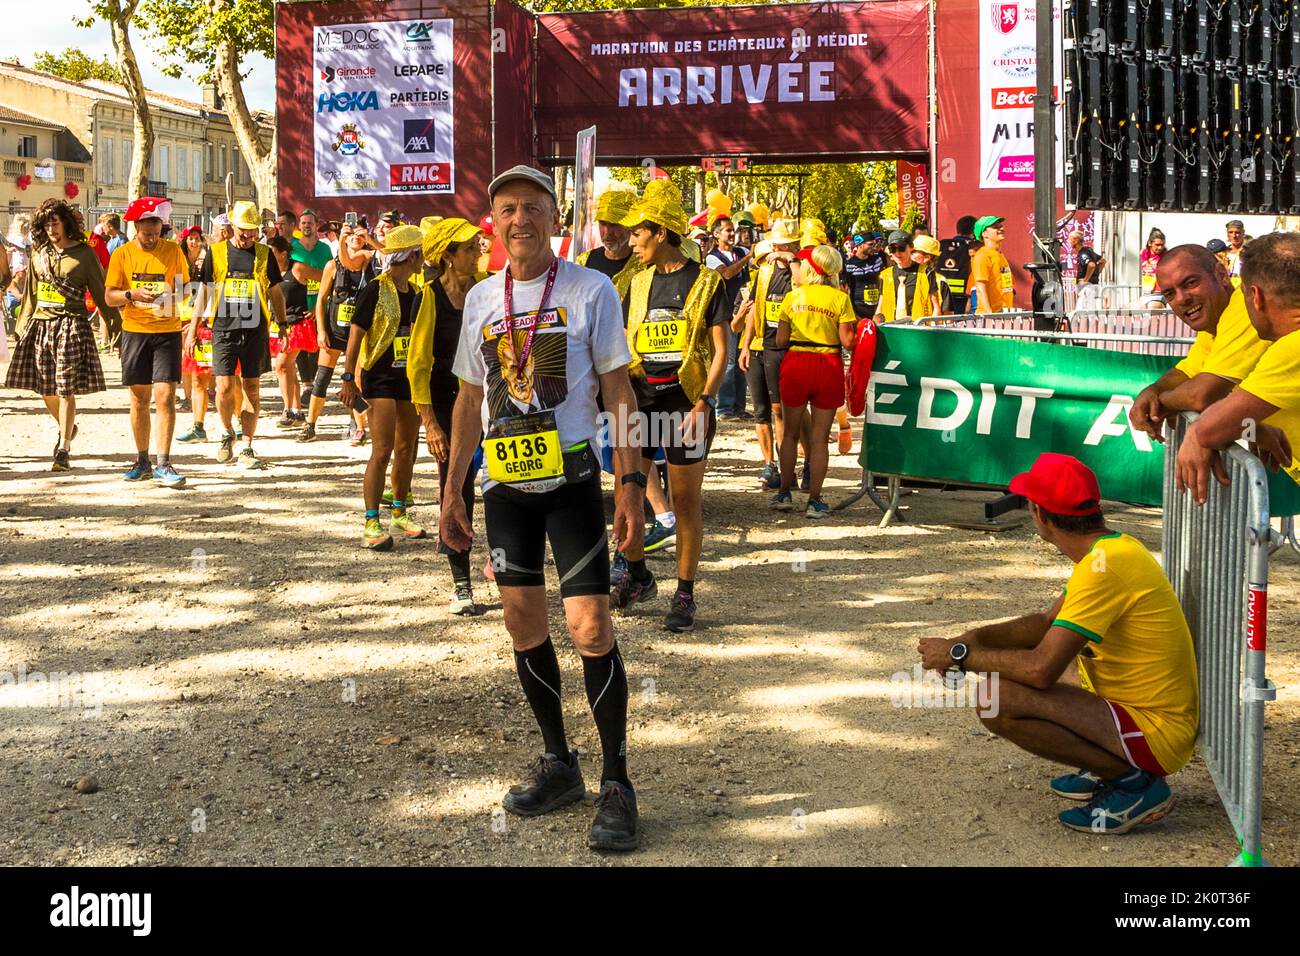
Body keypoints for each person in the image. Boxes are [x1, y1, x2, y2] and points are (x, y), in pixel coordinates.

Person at [439, 164, 646, 852]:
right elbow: (470, 399)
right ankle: (561, 762)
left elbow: (620, 391)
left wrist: (632, 482)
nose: (519, 218)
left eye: (532, 207)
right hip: (504, 482)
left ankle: (618, 781)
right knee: (522, 624)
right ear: (492, 223)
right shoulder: (479, 300)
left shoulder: (591, 289)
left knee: (589, 627)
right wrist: (452, 489)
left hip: (573, 478)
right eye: (506, 209)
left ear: (554, 219)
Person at [919, 453, 1197, 833]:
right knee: (1036, 655)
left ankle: (1132, 783)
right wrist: (970, 639)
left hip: (1157, 734)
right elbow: (1047, 622)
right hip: (1145, 714)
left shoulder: (1104, 567)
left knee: (995, 698)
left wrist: (960, 655)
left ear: (1040, 515)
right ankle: (1106, 761)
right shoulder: (1110, 550)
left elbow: (1039, 670)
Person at [611, 178, 730, 634]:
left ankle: (684, 592)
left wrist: (704, 402)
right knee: (631, 493)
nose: (632, 240)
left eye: (639, 232)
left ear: (661, 232)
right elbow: (623, 342)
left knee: (684, 502)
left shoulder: (705, 282)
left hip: (686, 406)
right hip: (640, 403)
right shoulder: (636, 284)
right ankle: (638, 575)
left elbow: (720, 349)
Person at [1175, 233, 1300, 501]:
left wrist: (1196, 431)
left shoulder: (1292, 348)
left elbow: (1212, 428)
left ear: (1255, 296)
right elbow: (1232, 420)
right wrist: (1251, 427)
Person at [408, 217, 486, 610]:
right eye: (470, 248)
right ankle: (462, 583)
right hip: (446, 403)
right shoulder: (429, 296)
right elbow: (417, 364)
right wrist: (431, 424)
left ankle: (505, 563)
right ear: (448, 257)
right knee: (456, 488)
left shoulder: (489, 289)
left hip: (492, 399)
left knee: (504, 482)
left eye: (478, 246)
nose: (478, 253)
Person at [5, 199, 116, 469]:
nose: (52, 228)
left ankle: (64, 447)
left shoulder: (85, 254)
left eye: (55, 222)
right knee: (46, 388)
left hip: (72, 325)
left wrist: (117, 329)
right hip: (41, 326)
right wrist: (22, 327)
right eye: (47, 224)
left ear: (65, 222)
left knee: (65, 388)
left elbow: (101, 292)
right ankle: (68, 427)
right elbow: (31, 294)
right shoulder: (39, 253)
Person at [337, 225, 428, 549]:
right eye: (420, 253)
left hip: (408, 379)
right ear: (412, 255)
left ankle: (400, 512)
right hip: (379, 377)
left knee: (408, 449)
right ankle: (371, 522)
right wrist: (349, 376)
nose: (423, 259)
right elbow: (356, 335)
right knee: (382, 449)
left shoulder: (417, 293)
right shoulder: (376, 289)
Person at [1129, 245, 1269, 443]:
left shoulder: (1246, 311)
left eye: (1190, 283)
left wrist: (1159, 402)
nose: (1182, 299)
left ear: (1221, 274)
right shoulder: (1215, 320)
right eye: (1170, 294)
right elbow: (1186, 373)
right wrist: (1152, 390)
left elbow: (1200, 395)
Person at [188, 199, 286, 470]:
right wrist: (193, 329)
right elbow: (204, 293)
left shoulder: (265, 254)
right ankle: (225, 432)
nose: (249, 235)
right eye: (244, 229)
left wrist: (283, 324)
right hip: (223, 328)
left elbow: (275, 291)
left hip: (255, 330)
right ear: (232, 226)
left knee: (252, 389)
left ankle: (247, 445)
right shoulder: (216, 252)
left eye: (253, 230)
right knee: (223, 387)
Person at [103, 197, 190, 488]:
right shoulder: (122, 254)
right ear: (136, 227)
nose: (152, 238)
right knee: (140, 399)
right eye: (147, 233)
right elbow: (110, 296)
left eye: (157, 232)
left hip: (167, 329)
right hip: (135, 330)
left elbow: (186, 289)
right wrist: (132, 295)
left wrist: (173, 297)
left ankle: (164, 463)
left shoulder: (174, 251)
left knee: (165, 396)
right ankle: (142, 461)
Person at [769, 244, 856, 517]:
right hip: (827, 363)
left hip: (795, 361)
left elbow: (781, 340)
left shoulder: (793, 296)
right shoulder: (840, 299)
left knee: (790, 433)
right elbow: (848, 342)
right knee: (819, 438)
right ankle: (815, 500)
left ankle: (783, 493)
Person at [301, 222, 377, 444]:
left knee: (356, 380)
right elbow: (322, 299)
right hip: (335, 330)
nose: (355, 237)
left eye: (359, 234)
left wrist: (364, 241)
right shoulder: (332, 266)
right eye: (350, 233)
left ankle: (359, 427)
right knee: (321, 379)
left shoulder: (367, 258)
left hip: (359, 333)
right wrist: (321, 331)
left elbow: (353, 262)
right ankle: (310, 424)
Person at [738, 218, 800, 490]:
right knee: (760, 411)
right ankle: (769, 464)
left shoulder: (800, 271)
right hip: (759, 346)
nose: (779, 248)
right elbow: (753, 309)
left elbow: (801, 285)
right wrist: (745, 345)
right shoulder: (763, 272)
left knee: (780, 410)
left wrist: (792, 259)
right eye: (778, 243)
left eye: (786, 244)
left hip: (784, 348)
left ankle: (789, 467)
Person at [274, 210, 329, 428]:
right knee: (286, 367)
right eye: (302, 222)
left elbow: (328, 278)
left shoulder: (298, 266)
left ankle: (292, 410)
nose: (270, 255)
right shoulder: (272, 271)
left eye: (273, 252)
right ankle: (294, 409)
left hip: (300, 321)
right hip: (282, 322)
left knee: (283, 365)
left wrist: (318, 308)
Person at [705, 212, 753, 420]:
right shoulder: (712, 257)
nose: (733, 234)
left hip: (744, 309)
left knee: (743, 359)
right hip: (723, 313)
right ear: (716, 234)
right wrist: (748, 257)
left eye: (734, 230)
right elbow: (726, 273)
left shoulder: (740, 251)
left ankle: (739, 406)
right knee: (729, 360)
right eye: (728, 231)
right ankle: (723, 408)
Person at [177, 226, 214, 444]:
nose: (194, 242)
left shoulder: (206, 259)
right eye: (190, 239)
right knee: (186, 356)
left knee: (200, 357)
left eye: (197, 238)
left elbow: (208, 287)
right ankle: (188, 396)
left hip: (199, 311)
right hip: (182, 308)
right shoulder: (179, 259)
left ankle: (206, 392)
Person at [576, 188, 642, 299]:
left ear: (629, 225)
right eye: (603, 223)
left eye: (614, 225)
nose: (607, 232)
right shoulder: (584, 262)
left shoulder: (643, 265)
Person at [874, 230, 941, 322]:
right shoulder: (885, 275)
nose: (897, 253)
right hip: (892, 328)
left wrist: (932, 331)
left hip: (918, 329)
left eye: (901, 248)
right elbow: (880, 306)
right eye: (893, 249)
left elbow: (936, 307)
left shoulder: (927, 272)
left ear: (911, 247)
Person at [969, 215, 1012, 313]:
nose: (1001, 228)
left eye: (1001, 226)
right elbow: (980, 289)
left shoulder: (1000, 255)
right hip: (990, 319)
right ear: (984, 234)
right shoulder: (982, 256)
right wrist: (989, 316)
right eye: (995, 227)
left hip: (1003, 316)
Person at [842, 232, 887, 320]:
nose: (874, 247)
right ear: (860, 245)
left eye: (875, 244)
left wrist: (879, 311)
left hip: (878, 311)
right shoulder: (849, 265)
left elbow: (883, 284)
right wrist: (853, 314)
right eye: (870, 244)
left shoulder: (878, 260)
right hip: (858, 311)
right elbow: (847, 291)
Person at [938, 216, 977, 315]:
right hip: (964, 297)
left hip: (944, 295)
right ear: (974, 231)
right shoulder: (973, 247)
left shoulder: (943, 245)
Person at [911, 235, 950, 315]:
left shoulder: (940, 280)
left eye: (914, 252)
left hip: (931, 326)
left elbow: (948, 314)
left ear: (927, 258)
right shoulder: (906, 276)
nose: (910, 255)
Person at [1139, 228, 1165, 293]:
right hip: (1145, 291)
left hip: (1160, 293)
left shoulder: (1166, 256)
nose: (1160, 248)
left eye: (1162, 245)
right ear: (1149, 243)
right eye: (1157, 245)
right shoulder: (1142, 253)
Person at [1224, 219, 1246, 286]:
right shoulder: (1223, 252)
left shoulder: (1249, 251)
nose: (1234, 236)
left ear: (1243, 232)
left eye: (1237, 232)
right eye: (1231, 232)